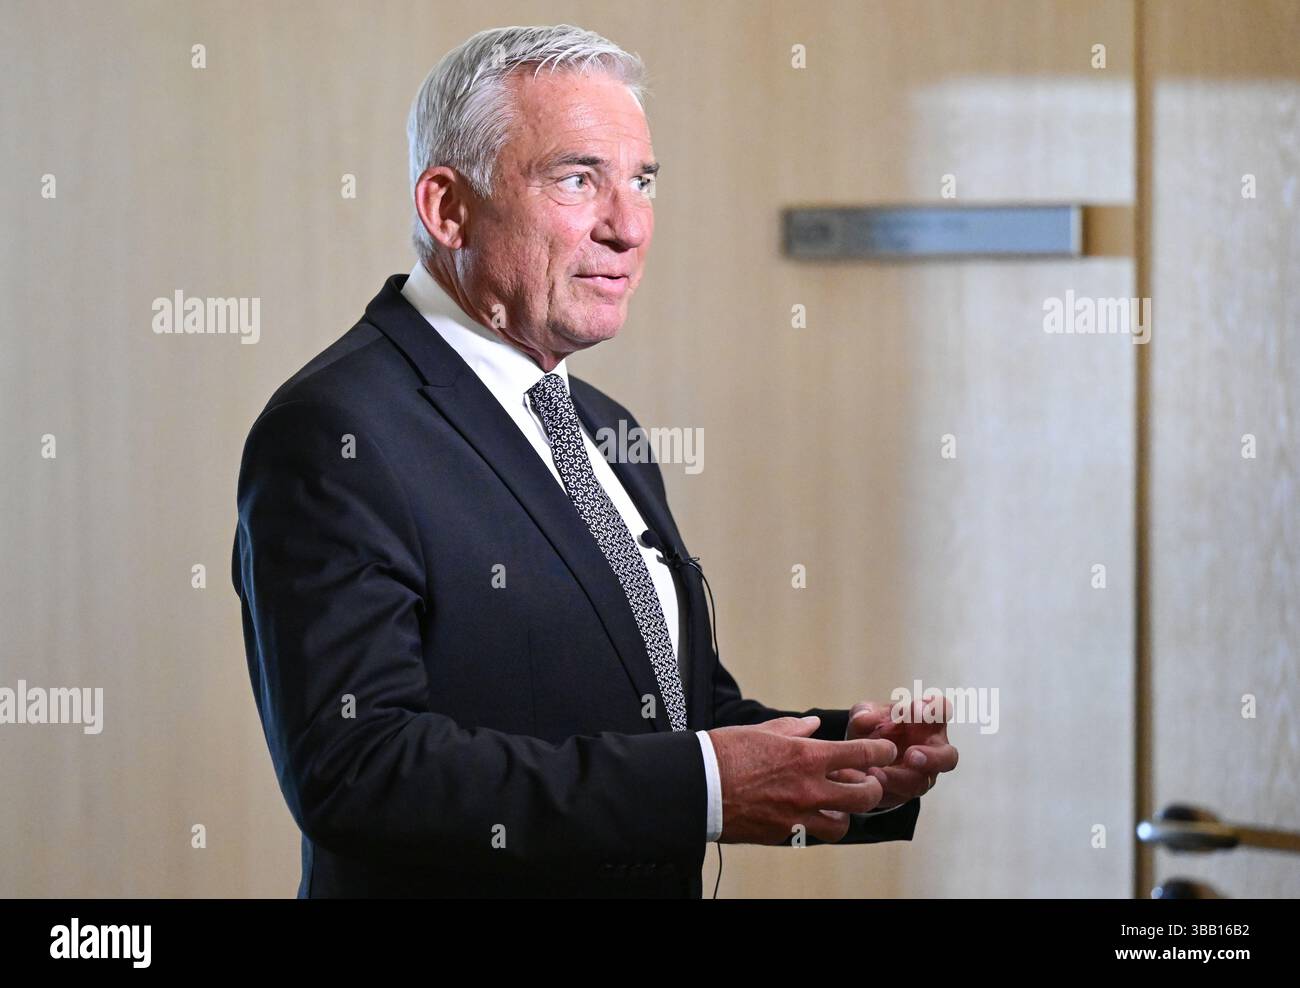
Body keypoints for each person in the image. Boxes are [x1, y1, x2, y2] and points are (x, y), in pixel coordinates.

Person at [232, 23, 957, 898]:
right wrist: (708, 789)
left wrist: (847, 759)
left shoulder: (602, 425)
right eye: (579, 179)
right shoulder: (337, 431)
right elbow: (358, 770)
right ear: (447, 207)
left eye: (642, 182)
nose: (628, 227)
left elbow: (668, 709)